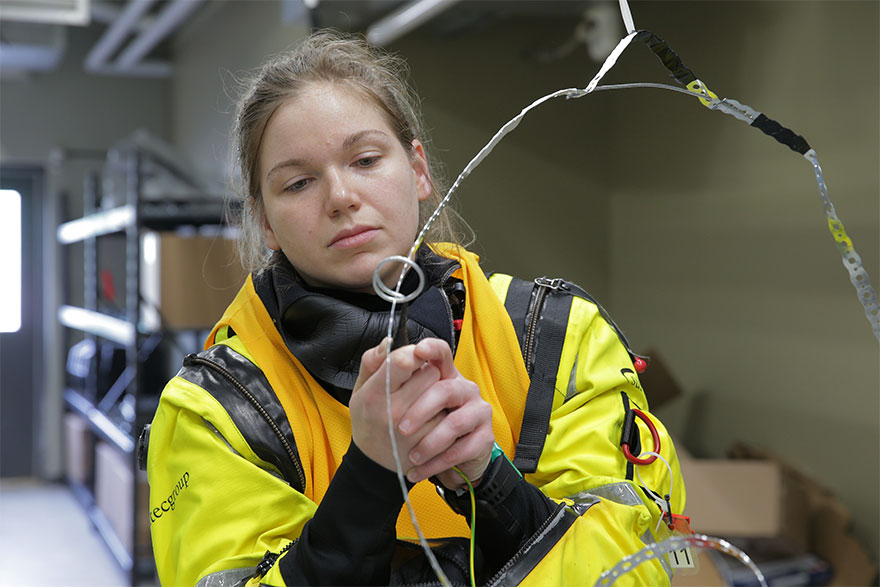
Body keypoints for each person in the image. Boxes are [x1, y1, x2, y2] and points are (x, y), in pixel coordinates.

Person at [145, 30, 686, 587]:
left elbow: (628, 572)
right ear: (265, 222)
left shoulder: (557, 337)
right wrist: (371, 475)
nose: (340, 197)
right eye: (299, 182)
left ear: (419, 170)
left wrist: (489, 477)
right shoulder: (216, 412)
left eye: (366, 159)